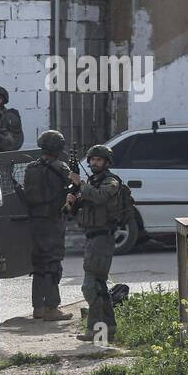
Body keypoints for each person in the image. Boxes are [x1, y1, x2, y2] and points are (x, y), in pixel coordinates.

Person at [67, 144, 124, 342]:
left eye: (98, 160)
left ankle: (96, 330)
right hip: (92, 238)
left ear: (107, 162)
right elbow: (74, 211)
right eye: (91, 160)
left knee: (90, 287)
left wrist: (81, 184)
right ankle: (107, 329)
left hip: (103, 238)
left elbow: (100, 197)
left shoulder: (111, 181)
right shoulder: (93, 182)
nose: (94, 163)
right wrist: (72, 201)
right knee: (98, 285)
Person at [22, 130, 73, 321]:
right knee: (52, 263)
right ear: (58, 148)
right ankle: (52, 308)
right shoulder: (61, 168)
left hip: (35, 221)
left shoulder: (30, 168)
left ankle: (38, 307)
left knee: (39, 263)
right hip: (53, 221)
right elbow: (74, 189)